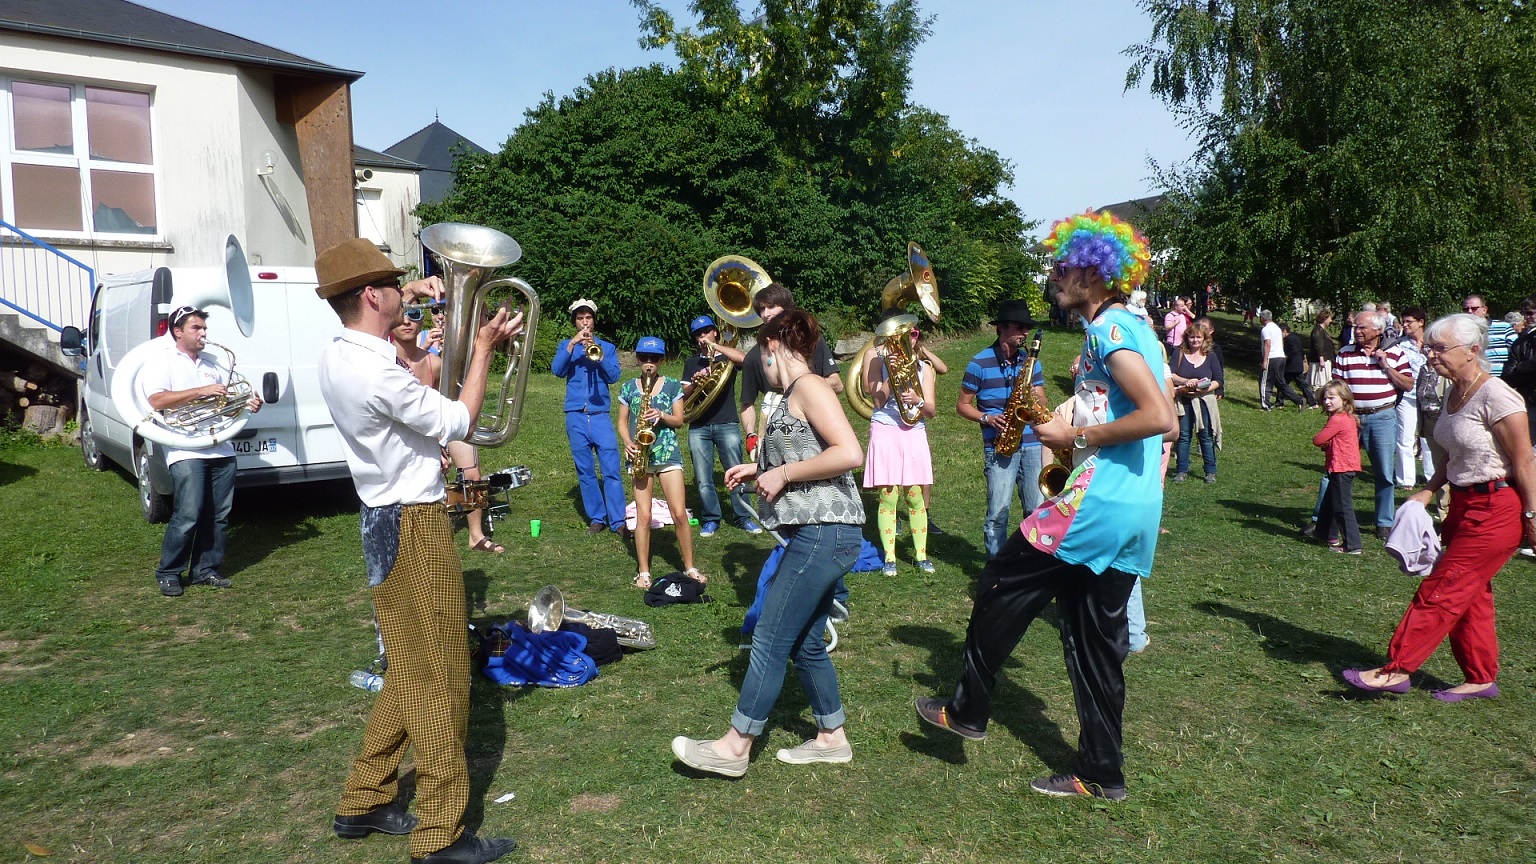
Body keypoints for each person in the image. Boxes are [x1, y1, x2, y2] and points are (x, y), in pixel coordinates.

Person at [915, 210, 1173, 801]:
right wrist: (1074, 419)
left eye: (1062, 267)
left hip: (1097, 504)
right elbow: (1166, 422)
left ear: (1096, 272)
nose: (1053, 276)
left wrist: (1074, 437)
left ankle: (967, 710)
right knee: (1093, 642)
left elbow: (1159, 418)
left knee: (1000, 579)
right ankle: (1102, 774)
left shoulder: (1108, 331)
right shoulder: (1140, 331)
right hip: (1136, 509)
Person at [315, 238, 521, 864]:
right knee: (443, 677)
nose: (402, 292)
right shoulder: (376, 370)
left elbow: (417, 408)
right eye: (392, 285)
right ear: (370, 295)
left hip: (380, 518)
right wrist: (482, 350)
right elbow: (461, 421)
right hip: (415, 522)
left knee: (408, 668)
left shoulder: (340, 353)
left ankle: (364, 800)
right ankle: (440, 835)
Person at [671, 309, 865, 777]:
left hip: (823, 531)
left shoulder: (810, 386)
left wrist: (783, 473)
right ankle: (832, 738)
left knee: (770, 636)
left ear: (773, 346)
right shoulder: (795, 392)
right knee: (806, 642)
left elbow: (849, 453)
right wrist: (760, 469)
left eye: (760, 352)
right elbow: (811, 449)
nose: (758, 364)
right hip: (822, 532)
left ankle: (734, 747)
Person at [1343, 313, 1536, 701]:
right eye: (1429, 347)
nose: (1430, 355)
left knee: (1444, 588)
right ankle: (1480, 678)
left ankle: (1396, 669)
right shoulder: (1453, 392)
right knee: (1470, 594)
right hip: (1463, 505)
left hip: (1497, 507)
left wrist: (1532, 516)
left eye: (1440, 348)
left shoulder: (1498, 395)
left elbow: (1524, 460)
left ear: (1472, 351)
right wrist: (1429, 491)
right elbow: (1451, 456)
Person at [144, 305, 264, 597]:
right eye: (196, 328)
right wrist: (201, 391)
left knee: (219, 515)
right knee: (189, 513)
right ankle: (169, 573)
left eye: (204, 328)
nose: (203, 334)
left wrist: (248, 404)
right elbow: (157, 400)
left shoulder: (213, 362)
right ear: (178, 332)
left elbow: (229, 400)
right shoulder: (162, 361)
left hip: (221, 447)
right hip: (185, 448)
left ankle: (205, 570)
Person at [393, 308, 502, 553]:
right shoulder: (388, 362)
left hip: (444, 422)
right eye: (401, 316)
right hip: (416, 432)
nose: (407, 322)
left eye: (414, 315)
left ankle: (476, 534)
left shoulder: (434, 361)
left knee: (473, 473)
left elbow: (454, 394)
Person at [619, 336, 701, 589]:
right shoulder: (628, 388)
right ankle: (644, 571)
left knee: (679, 513)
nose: (649, 363)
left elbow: (679, 420)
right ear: (638, 359)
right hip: (641, 456)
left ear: (661, 360)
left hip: (667, 455)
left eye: (654, 359)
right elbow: (622, 422)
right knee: (643, 516)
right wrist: (627, 442)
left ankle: (690, 567)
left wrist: (661, 415)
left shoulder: (673, 386)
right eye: (644, 358)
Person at [860, 310, 938, 575]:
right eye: (903, 335)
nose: (909, 338)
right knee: (888, 496)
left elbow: (931, 411)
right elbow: (877, 400)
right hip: (885, 428)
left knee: (915, 496)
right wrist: (890, 375)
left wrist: (918, 400)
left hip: (914, 430)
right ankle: (890, 558)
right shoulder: (875, 357)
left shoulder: (925, 367)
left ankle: (921, 555)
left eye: (913, 333)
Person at [738, 282, 842, 464]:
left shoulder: (812, 342)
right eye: (761, 309)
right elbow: (747, 403)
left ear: (786, 308)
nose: (766, 313)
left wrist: (806, 389)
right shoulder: (754, 356)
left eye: (771, 306)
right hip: (774, 429)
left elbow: (837, 384)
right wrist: (750, 434)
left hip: (815, 421)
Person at [1333, 309, 1413, 538]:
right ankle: (1324, 518)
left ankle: (1384, 522)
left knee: (1384, 473)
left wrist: (1385, 365)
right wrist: (1346, 413)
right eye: (1355, 327)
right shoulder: (1345, 353)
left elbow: (1408, 384)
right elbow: (1336, 387)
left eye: (1362, 327)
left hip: (1382, 417)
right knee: (1337, 469)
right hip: (1351, 418)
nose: (1356, 331)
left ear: (1378, 330)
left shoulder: (1395, 353)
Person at [551, 299, 628, 537]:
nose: (584, 322)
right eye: (580, 318)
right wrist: (572, 344)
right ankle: (597, 518)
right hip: (575, 414)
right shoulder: (567, 345)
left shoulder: (607, 347)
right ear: (575, 322)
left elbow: (614, 376)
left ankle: (618, 520)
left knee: (611, 469)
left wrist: (599, 354)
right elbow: (557, 370)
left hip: (600, 414)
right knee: (585, 470)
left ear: (594, 321)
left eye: (588, 318)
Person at [680, 314, 759, 538]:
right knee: (703, 478)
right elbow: (684, 396)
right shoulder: (691, 363)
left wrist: (715, 347)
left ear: (715, 332)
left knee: (736, 472)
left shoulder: (727, 358)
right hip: (699, 425)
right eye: (698, 334)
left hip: (727, 422)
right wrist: (695, 383)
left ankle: (743, 517)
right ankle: (711, 519)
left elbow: (745, 359)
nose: (702, 336)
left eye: (706, 331)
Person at [1311, 381, 1363, 554]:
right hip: (1344, 466)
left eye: (1332, 398)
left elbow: (1318, 439)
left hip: (1342, 467)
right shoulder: (1348, 418)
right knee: (1330, 502)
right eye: (1325, 398)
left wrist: (1324, 442)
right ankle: (1324, 534)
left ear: (1344, 399)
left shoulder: (1337, 419)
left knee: (1342, 506)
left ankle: (1353, 544)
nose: (1327, 402)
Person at [1170, 322, 1223, 482]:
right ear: (1187, 338)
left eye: (1198, 337)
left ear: (1205, 339)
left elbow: (1218, 379)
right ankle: (1181, 470)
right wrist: (1186, 381)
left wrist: (1204, 389)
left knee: (1205, 436)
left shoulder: (1210, 355)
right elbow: (1171, 374)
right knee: (1184, 436)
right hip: (1184, 400)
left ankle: (1210, 471)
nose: (1195, 340)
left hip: (1204, 401)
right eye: (1192, 337)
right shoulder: (1179, 353)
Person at [1393, 308, 1429, 488]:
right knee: (1405, 438)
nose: (1405, 325)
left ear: (1421, 322)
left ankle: (1432, 476)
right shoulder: (1399, 345)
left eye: (1409, 321)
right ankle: (1405, 480)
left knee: (1429, 438)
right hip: (1407, 395)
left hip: (1430, 395)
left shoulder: (1433, 341)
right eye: (1403, 322)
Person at [1259, 310, 1303, 409]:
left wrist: (1265, 361)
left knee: (1265, 381)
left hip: (1272, 357)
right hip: (1281, 357)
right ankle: (1299, 400)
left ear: (1262, 318)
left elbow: (1267, 344)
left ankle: (1265, 405)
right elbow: (1281, 342)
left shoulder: (1266, 329)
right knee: (1280, 382)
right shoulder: (1277, 328)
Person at [1464, 294, 1515, 375]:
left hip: (1502, 378)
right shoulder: (1462, 332)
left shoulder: (1504, 327)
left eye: (1474, 308)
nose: (1469, 312)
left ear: (1484, 310)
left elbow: (1516, 353)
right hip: (1476, 378)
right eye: (1466, 309)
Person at [1280, 322, 1317, 409]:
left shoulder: (1290, 339)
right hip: (1295, 365)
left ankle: (1312, 402)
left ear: (1284, 331)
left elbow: (1294, 351)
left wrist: (1286, 356)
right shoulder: (1294, 337)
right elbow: (1300, 350)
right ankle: (1280, 401)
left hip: (1292, 366)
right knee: (1298, 384)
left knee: (1284, 384)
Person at [1308, 309, 1337, 393]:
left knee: (1324, 379)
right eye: (1329, 318)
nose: (1331, 321)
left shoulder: (1321, 330)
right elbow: (1319, 345)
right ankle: (1317, 395)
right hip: (1320, 360)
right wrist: (1321, 359)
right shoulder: (1318, 331)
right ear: (1325, 318)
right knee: (1319, 379)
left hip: (1325, 358)